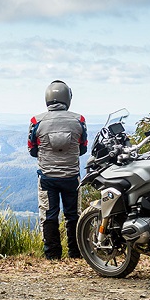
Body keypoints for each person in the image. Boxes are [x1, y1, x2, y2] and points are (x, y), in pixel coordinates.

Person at [28, 80, 88, 260]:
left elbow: (32, 150)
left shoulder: (36, 121)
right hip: (71, 176)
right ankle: (76, 253)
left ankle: (52, 254)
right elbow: (83, 148)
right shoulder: (79, 120)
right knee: (73, 215)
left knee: (48, 214)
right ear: (67, 98)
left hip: (47, 177)